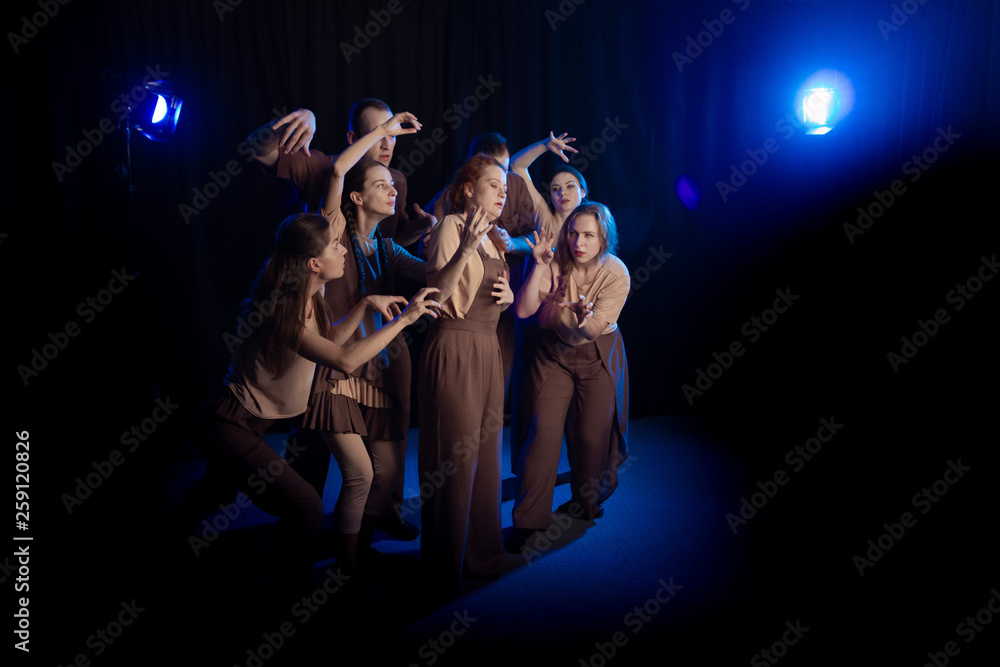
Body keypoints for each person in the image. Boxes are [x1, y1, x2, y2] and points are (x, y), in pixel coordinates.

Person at [175, 212, 441, 589]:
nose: (342, 250)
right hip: (227, 422)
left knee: (216, 491)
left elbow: (329, 340)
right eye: (335, 246)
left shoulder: (311, 296)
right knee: (305, 505)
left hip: (252, 423)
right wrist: (404, 320)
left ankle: (169, 541)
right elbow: (345, 359)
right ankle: (292, 595)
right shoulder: (281, 309)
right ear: (314, 263)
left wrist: (365, 306)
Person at [245, 100, 430, 540]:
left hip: (373, 343)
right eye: (380, 133)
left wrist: (440, 235)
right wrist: (301, 116)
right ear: (354, 138)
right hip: (326, 345)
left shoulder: (387, 211)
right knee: (317, 455)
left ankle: (370, 524)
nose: (389, 143)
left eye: (392, 137)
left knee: (383, 455)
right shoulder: (329, 182)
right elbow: (264, 150)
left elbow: (398, 248)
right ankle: (305, 527)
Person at [292, 111, 429, 575]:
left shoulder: (387, 247)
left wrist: (470, 245)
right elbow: (334, 169)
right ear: (356, 196)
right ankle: (345, 568)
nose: (394, 190)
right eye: (382, 184)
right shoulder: (333, 231)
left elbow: (434, 276)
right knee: (361, 474)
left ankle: (357, 547)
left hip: (372, 370)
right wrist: (385, 132)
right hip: (333, 369)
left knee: (387, 474)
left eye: (394, 184)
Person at [505, 202, 630, 554]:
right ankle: (527, 520)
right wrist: (540, 266)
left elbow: (586, 333)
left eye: (589, 235)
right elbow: (524, 309)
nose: (579, 242)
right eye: (574, 233)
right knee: (542, 431)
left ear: (604, 239)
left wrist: (568, 313)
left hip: (598, 355)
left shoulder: (617, 274)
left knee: (591, 437)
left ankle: (584, 503)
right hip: (552, 356)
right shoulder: (554, 259)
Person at [418, 155, 513, 592]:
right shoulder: (451, 227)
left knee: (487, 456)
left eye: (505, 186)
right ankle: (444, 566)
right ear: (469, 189)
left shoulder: (495, 237)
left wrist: (508, 295)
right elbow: (437, 296)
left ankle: (482, 554)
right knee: (454, 457)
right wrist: (468, 248)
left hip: (489, 348)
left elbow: (492, 294)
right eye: (494, 184)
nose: (503, 191)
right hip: (454, 346)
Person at [509, 131, 587, 237]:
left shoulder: (595, 223)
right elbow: (516, 165)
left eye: (570, 186)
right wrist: (545, 145)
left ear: (583, 192)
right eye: (555, 189)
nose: (562, 193)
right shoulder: (544, 219)